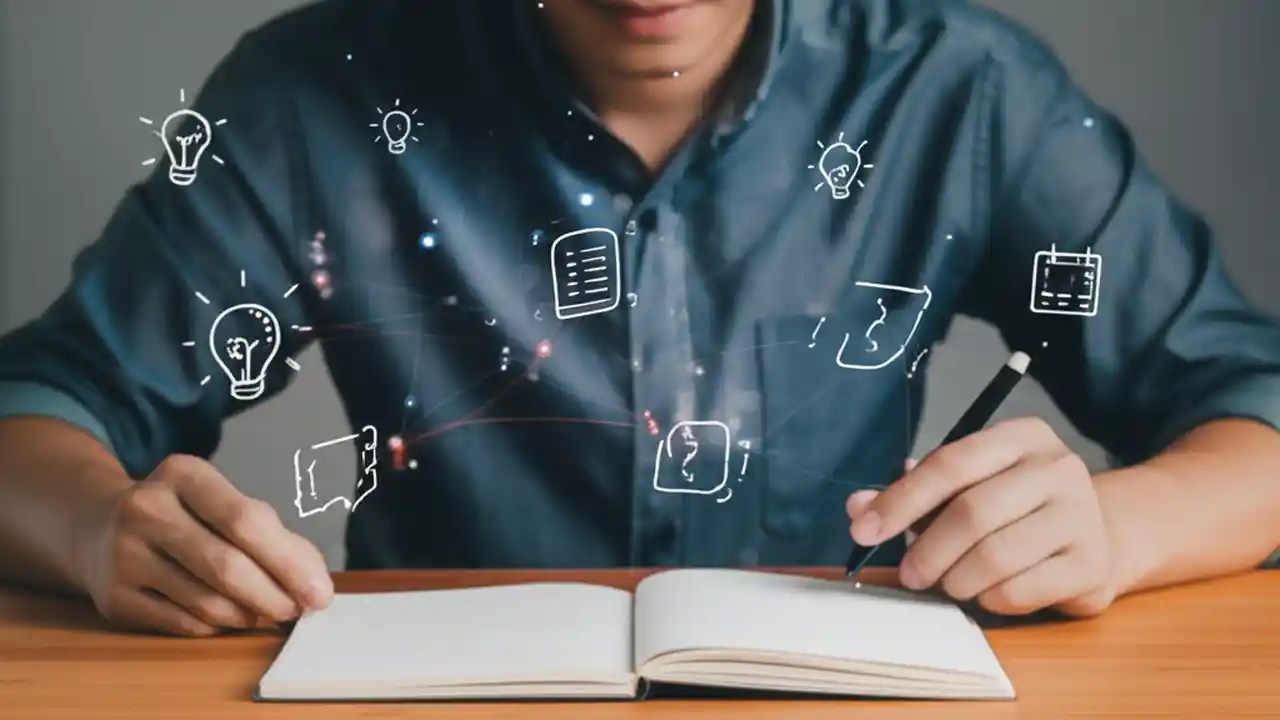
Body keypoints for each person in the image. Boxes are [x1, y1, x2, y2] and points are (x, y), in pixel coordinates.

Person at [0, 0, 1278, 637]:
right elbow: (39, 412)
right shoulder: (318, 90)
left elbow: (1255, 413)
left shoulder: (961, 91)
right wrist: (96, 521)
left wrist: (1119, 525)